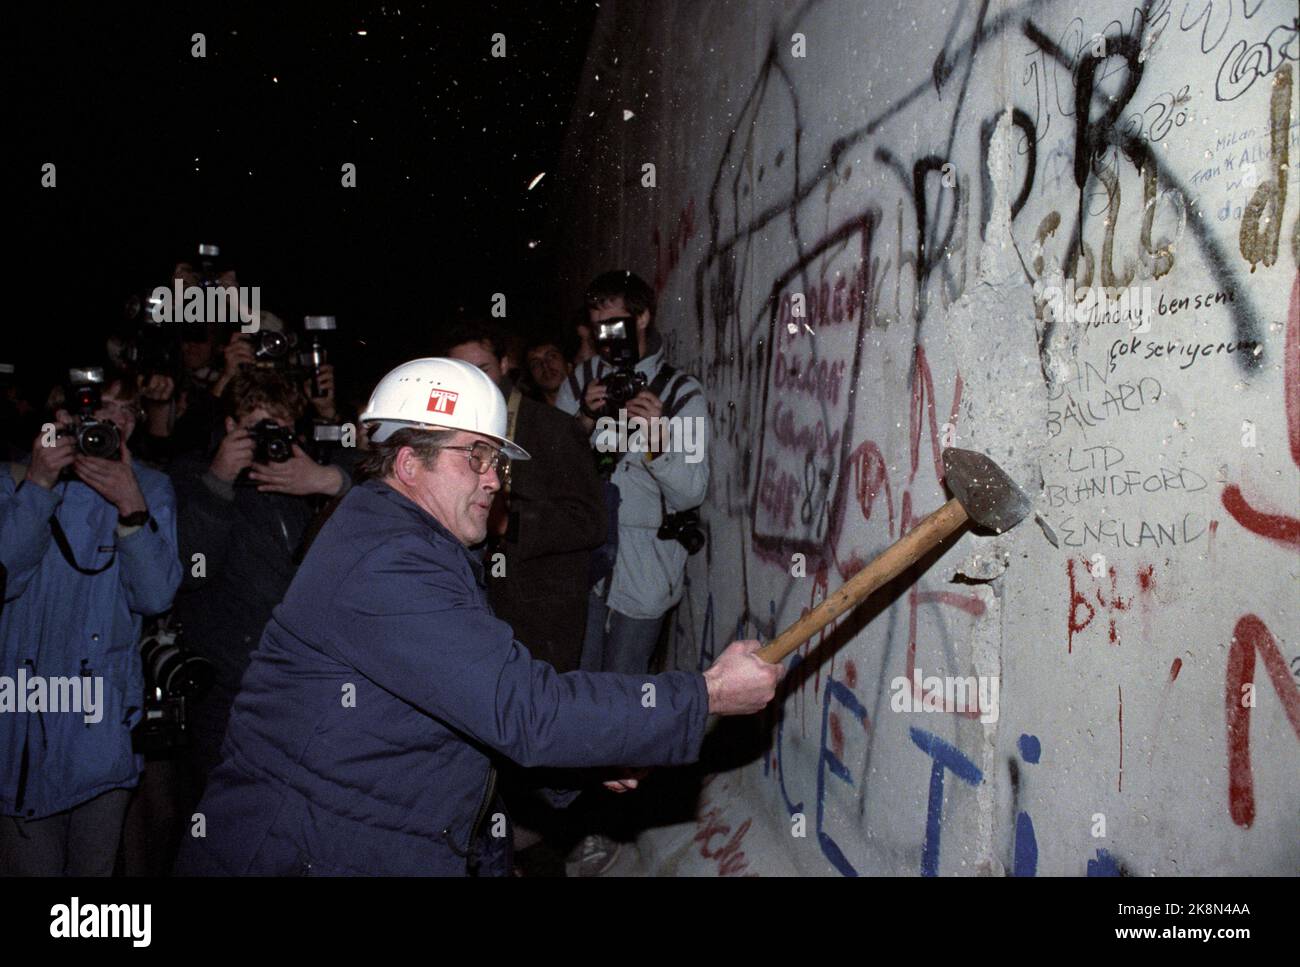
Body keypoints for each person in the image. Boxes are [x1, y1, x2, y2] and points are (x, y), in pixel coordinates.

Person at [174, 357, 780, 877]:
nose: (496, 481)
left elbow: (474, 715)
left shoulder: (418, 543)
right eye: (478, 459)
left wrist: (588, 760)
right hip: (303, 853)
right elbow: (524, 709)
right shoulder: (389, 562)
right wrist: (708, 694)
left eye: (499, 463)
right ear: (410, 462)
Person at [554, 269, 710, 874]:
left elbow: (692, 486)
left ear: (642, 318)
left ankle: (608, 827)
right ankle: (576, 820)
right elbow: (545, 472)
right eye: (597, 323)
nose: (605, 333)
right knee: (577, 685)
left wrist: (656, 440)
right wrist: (579, 425)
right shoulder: (582, 383)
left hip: (646, 570)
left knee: (624, 700)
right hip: (589, 564)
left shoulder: (681, 392)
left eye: (615, 320)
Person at [0, 368, 181, 875]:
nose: (116, 422)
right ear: (64, 418)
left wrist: (131, 509)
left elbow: (155, 596)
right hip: (22, 726)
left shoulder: (151, 487)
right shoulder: (12, 481)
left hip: (101, 732)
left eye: (128, 412)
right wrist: (38, 485)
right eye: (101, 409)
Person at [170, 367, 351, 792]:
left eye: (283, 429)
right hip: (225, 688)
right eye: (259, 428)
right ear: (232, 425)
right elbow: (192, 570)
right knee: (220, 811)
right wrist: (218, 482)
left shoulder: (299, 469)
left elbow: (370, 476)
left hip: (294, 680)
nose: (272, 438)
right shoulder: (191, 474)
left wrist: (329, 478)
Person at [443, 324, 604, 673]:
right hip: (479, 603)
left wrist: (512, 522)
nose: (473, 382)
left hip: (542, 612)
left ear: (504, 364)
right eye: (462, 373)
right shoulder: (454, 432)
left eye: (482, 370)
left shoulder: (553, 426)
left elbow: (590, 522)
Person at [524, 338, 571, 408]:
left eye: (552, 356)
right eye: (536, 363)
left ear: (568, 364)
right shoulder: (531, 414)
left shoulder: (589, 398)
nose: (544, 365)